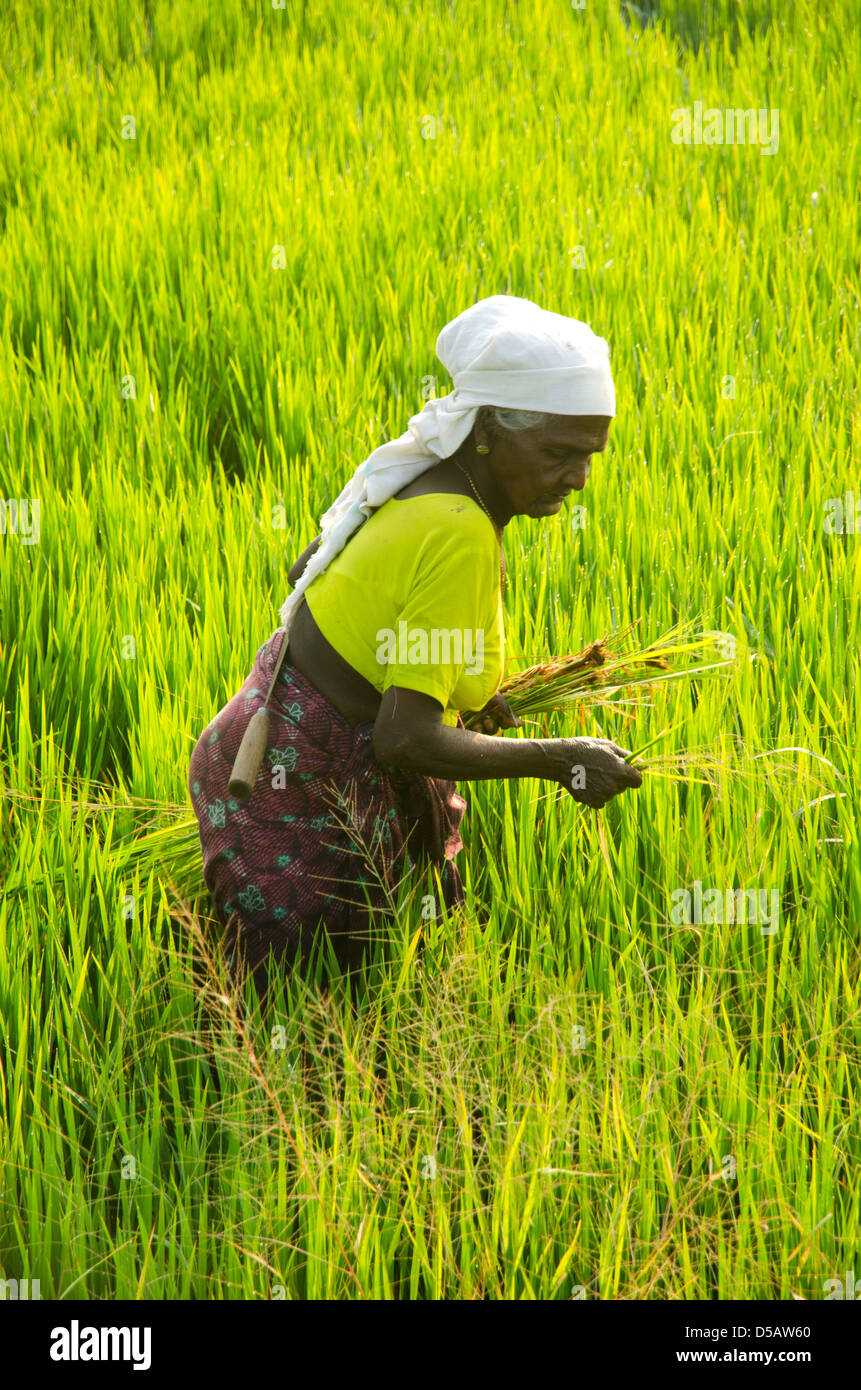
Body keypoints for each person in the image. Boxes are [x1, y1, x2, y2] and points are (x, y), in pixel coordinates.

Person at [188, 294, 641, 1002]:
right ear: (489, 429)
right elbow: (403, 738)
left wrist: (470, 692)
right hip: (294, 788)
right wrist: (562, 758)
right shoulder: (458, 527)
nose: (579, 478)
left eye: (589, 456)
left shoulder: (425, 487)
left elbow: (367, 612)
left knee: (348, 993)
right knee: (307, 1013)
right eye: (557, 453)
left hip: (270, 746)